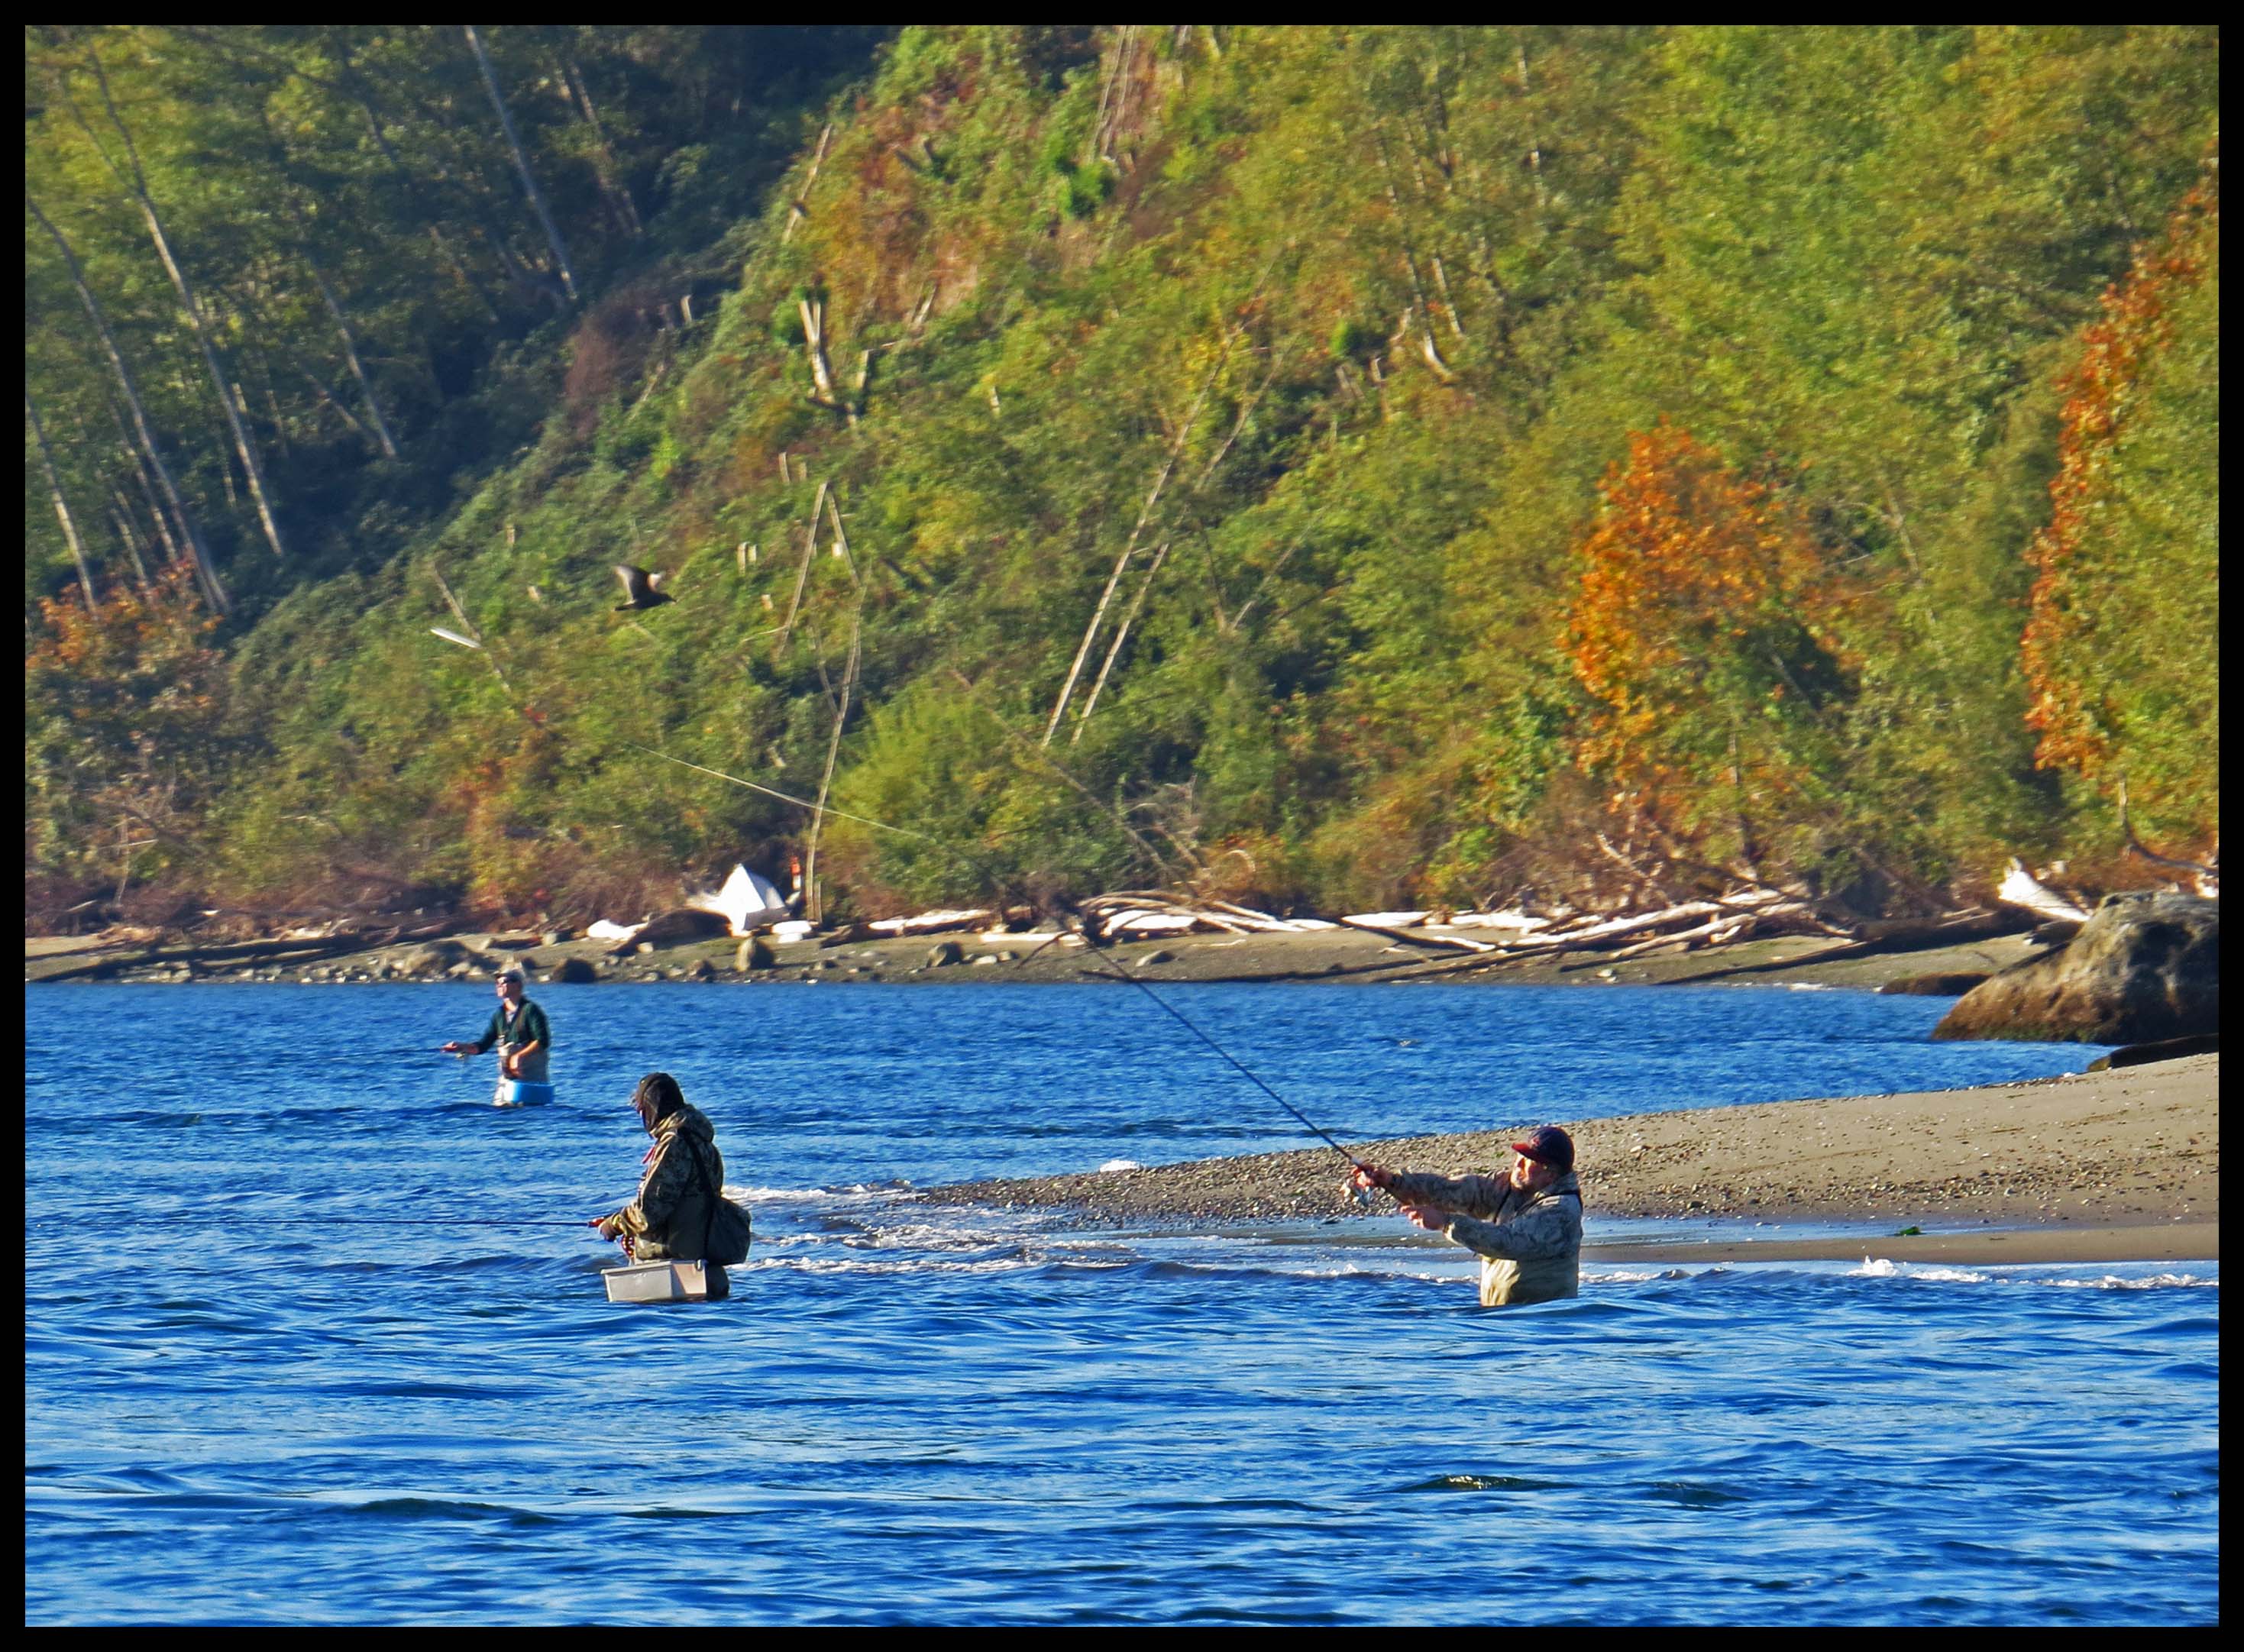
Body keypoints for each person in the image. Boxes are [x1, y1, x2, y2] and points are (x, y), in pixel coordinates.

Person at [1350, 1124, 1583, 1308]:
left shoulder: (1562, 1209)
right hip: (1505, 1318)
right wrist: (1392, 1182)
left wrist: (1446, 1223)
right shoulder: (1508, 1187)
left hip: (1546, 1322)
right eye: (1520, 1156)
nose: (1518, 1164)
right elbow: (1451, 1190)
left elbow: (1509, 1242)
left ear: (1550, 1175)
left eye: (1529, 1161)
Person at [591, 1072, 734, 1300]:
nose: (641, 1117)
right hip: (706, 1268)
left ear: (652, 1107)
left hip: (674, 1275)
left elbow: (650, 1212)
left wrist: (615, 1224)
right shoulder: (702, 1141)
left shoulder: (674, 1143)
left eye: (641, 1109)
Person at [441, 965, 551, 1085]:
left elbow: (543, 1041)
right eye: (497, 982)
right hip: (507, 1082)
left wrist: (519, 1056)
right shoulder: (499, 1015)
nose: (499, 985)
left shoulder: (531, 1010)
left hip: (533, 1080)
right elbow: (484, 1045)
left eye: (503, 982)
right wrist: (462, 1047)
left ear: (518, 985)